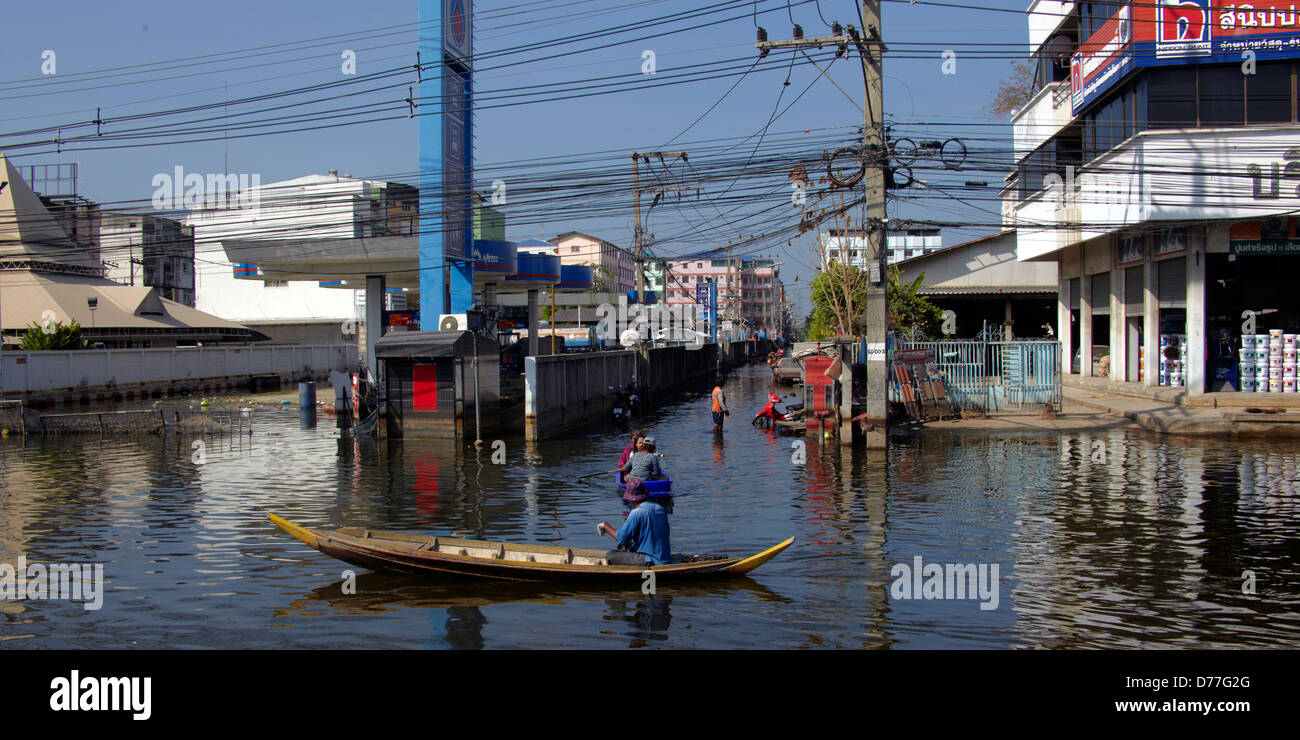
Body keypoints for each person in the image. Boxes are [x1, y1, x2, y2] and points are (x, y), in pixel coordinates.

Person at [598, 482, 671, 566]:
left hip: (651, 560)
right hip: (665, 557)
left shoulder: (636, 513)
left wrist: (606, 526)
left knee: (610, 555)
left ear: (631, 499)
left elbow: (621, 538)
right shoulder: (660, 509)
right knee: (627, 546)